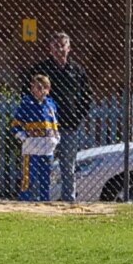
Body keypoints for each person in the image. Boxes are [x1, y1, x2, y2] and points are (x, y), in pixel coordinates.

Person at [31, 31, 92, 203]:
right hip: (45, 127)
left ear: (69, 48)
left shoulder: (77, 71)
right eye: (56, 46)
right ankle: (39, 200)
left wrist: (76, 118)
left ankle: (68, 201)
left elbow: (86, 97)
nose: (59, 49)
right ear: (50, 49)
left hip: (68, 126)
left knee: (68, 166)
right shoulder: (41, 71)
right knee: (42, 165)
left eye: (63, 45)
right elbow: (29, 94)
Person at [13, 72, 61, 201]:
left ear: (48, 89)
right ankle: (25, 201)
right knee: (29, 178)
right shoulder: (26, 104)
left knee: (46, 177)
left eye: (44, 87)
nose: (41, 90)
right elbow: (16, 125)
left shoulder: (51, 105)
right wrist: (24, 138)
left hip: (47, 149)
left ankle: (44, 201)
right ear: (32, 88)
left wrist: (56, 139)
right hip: (31, 149)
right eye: (37, 86)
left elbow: (55, 123)